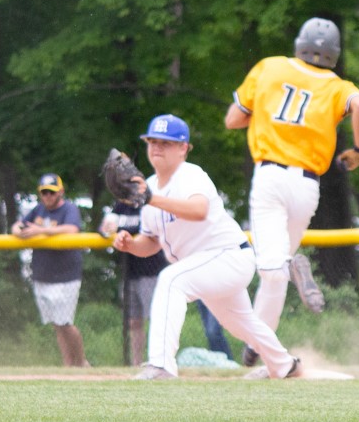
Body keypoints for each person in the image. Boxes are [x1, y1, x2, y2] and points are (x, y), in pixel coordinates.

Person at [225, 17, 359, 365]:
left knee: (272, 270)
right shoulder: (337, 85)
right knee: (276, 273)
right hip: (307, 186)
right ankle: (259, 346)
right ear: (334, 53)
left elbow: (233, 118)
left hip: (271, 177)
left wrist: (261, 114)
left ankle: (290, 272)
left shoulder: (270, 67)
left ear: (299, 43)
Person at [113, 114, 302, 380]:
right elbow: (152, 242)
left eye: (165, 142)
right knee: (240, 323)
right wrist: (130, 244)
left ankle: (161, 365)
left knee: (171, 279)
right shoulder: (151, 187)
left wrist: (151, 198)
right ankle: (285, 366)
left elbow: (199, 210)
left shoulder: (190, 175)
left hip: (227, 256)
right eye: (152, 141)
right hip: (206, 265)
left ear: (183, 148)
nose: (156, 147)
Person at [12, 173, 88, 367]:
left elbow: (72, 229)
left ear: (61, 192)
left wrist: (40, 231)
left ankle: (81, 363)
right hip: (43, 274)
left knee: (65, 322)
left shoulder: (69, 209)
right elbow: (18, 225)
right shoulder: (38, 210)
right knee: (57, 324)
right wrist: (18, 230)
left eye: (52, 192)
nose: (48, 196)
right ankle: (68, 364)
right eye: (44, 192)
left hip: (66, 275)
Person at [101, 198, 167, 366]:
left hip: (152, 272)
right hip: (129, 274)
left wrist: (121, 229)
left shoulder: (148, 204)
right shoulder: (120, 206)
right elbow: (104, 229)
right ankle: (136, 362)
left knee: (156, 319)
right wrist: (106, 229)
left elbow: (146, 230)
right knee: (133, 321)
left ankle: (160, 359)